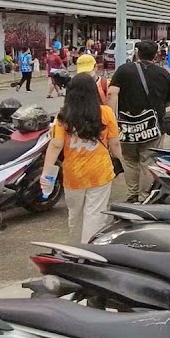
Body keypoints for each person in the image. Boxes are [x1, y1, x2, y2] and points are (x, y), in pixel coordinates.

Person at [41, 72, 122, 243]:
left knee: (75, 215)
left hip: (74, 174)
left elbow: (55, 145)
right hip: (100, 172)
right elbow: (114, 144)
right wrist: (123, 160)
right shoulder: (106, 113)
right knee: (95, 215)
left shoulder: (63, 116)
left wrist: (46, 173)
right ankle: (89, 252)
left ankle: (76, 248)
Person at [106, 40, 170, 204]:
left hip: (127, 126)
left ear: (137, 53)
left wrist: (111, 118)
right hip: (154, 126)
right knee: (148, 160)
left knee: (129, 160)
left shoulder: (124, 70)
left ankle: (132, 194)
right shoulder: (163, 73)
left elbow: (111, 94)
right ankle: (144, 196)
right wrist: (157, 107)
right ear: (156, 55)